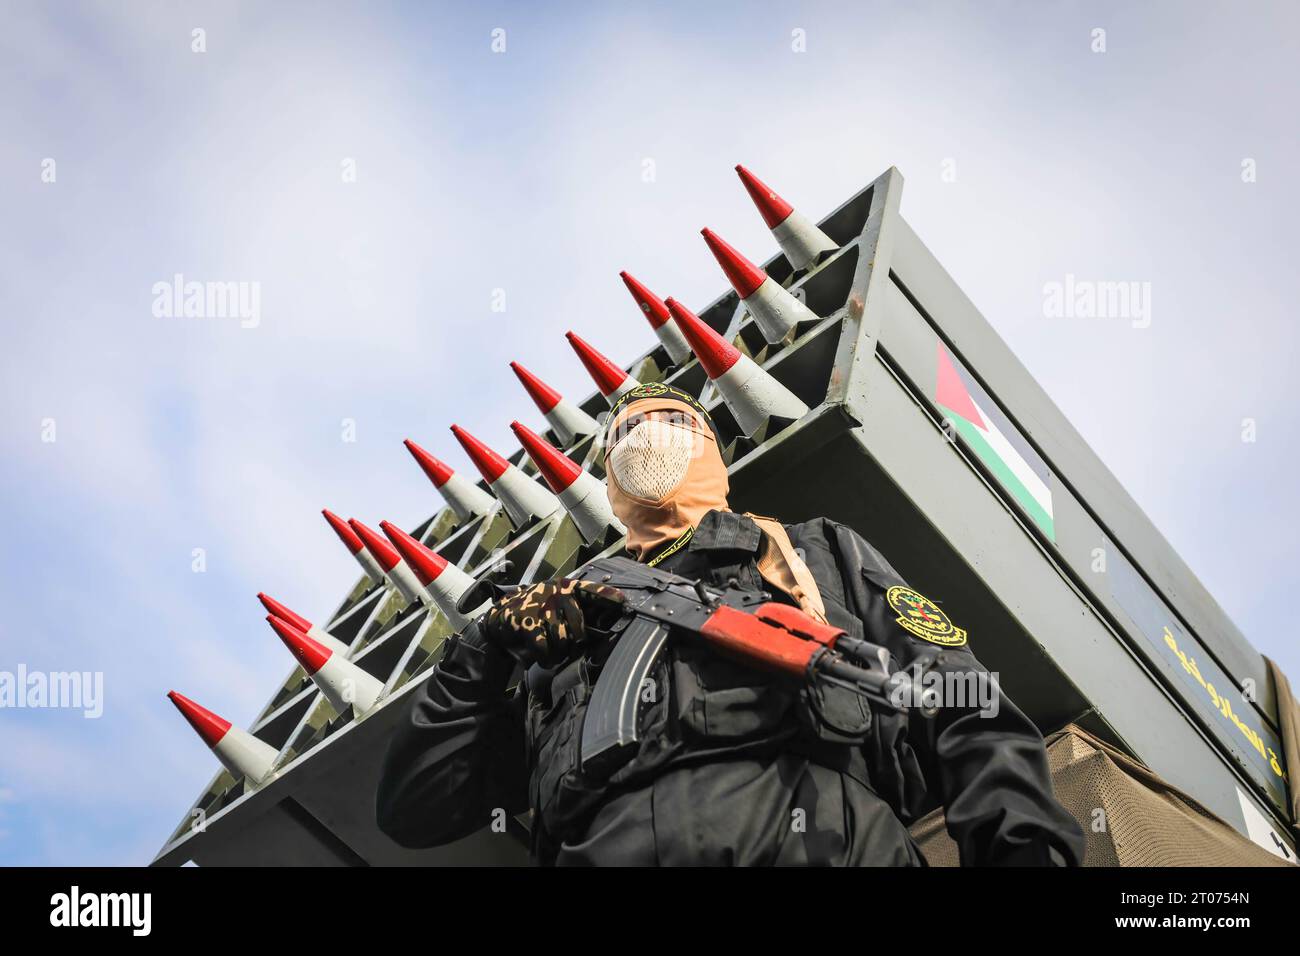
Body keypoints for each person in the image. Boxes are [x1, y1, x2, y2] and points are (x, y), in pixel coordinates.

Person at [376, 383, 1085, 866]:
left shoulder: (812, 553)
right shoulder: (554, 636)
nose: (646, 432)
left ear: (714, 454)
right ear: (610, 484)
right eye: (625, 430)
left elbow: (966, 705)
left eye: (674, 421)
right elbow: (415, 810)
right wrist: (483, 648)